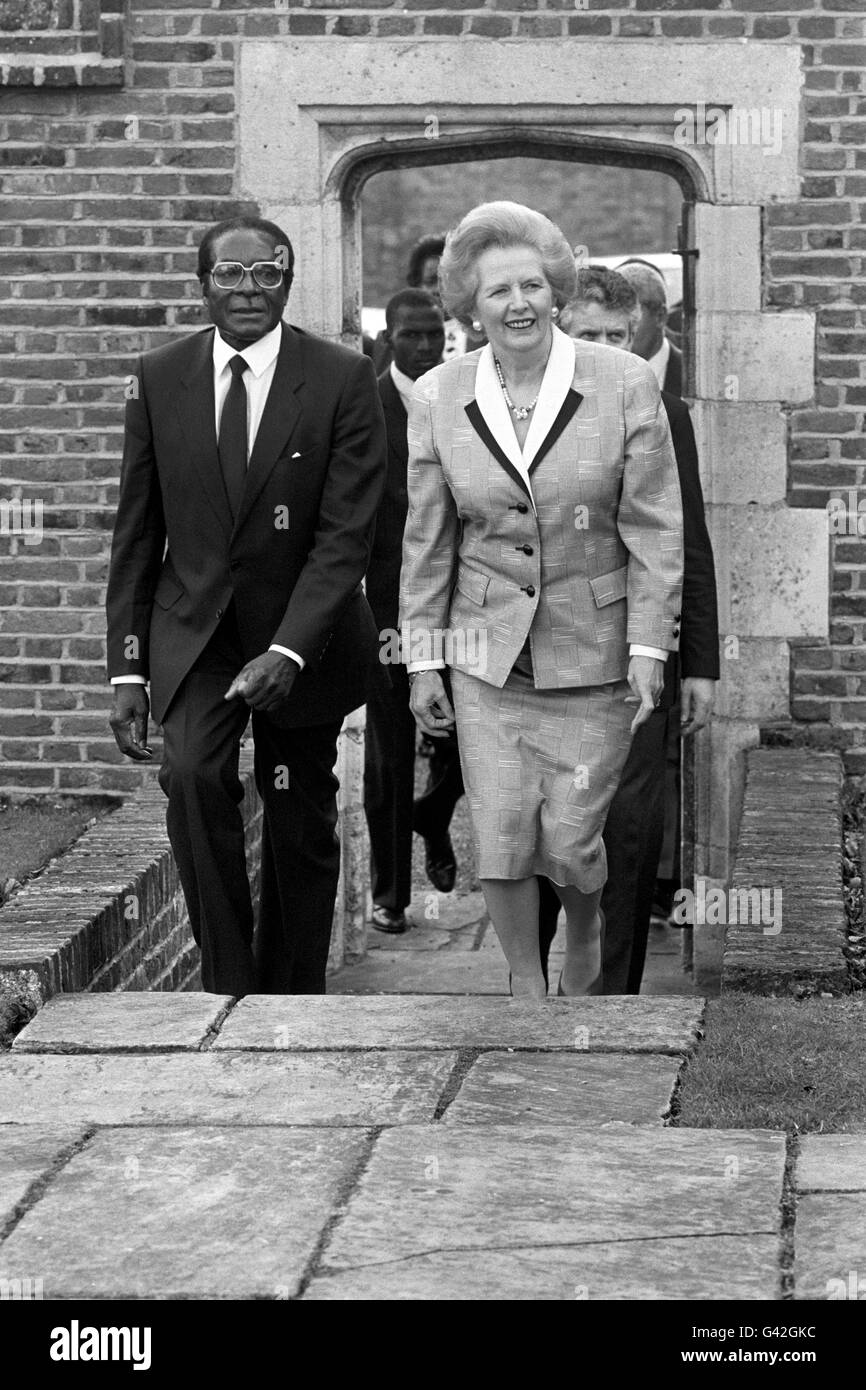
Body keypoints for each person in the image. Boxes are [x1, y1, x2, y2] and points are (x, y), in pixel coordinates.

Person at [400, 202, 683, 1000]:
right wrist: (424, 660)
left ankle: (585, 930)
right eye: (498, 291)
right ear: (471, 304)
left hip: (595, 651)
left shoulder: (621, 382)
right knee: (502, 832)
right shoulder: (437, 395)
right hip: (485, 655)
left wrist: (649, 647)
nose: (518, 303)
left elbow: (656, 526)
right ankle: (526, 986)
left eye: (532, 285)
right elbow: (428, 540)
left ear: (556, 291)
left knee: (570, 839)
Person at [106, 215, 386, 996]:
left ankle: (292, 994)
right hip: (195, 635)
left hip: (308, 638)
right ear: (202, 286)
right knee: (192, 776)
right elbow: (137, 533)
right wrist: (126, 672)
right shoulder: (159, 376)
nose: (249, 290)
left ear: (289, 281)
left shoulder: (340, 376)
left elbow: (344, 538)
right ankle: (229, 987)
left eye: (268, 273)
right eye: (229, 274)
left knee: (300, 815)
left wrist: (289, 650)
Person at [542, 266, 718, 993]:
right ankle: (536, 985)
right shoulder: (512, 404)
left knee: (632, 826)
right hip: (537, 652)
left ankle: (615, 996)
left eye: (620, 336)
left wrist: (700, 662)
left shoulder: (662, 411)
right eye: (590, 335)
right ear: (560, 330)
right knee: (539, 825)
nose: (607, 349)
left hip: (638, 654)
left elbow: (690, 542)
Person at [364, 289, 446, 934]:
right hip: (389, 608)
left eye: (434, 335)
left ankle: (436, 815)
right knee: (391, 752)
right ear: (388, 337)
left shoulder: (469, 393)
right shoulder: (365, 405)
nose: (424, 347)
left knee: (471, 742)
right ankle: (391, 893)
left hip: (469, 604)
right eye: (411, 336)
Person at [372, 234, 472, 373]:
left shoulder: (483, 334)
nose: (439, 289)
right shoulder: (390, 341)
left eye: (447, 281)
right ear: (416, 285)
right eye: (431, 281)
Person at [617, 259, 683, 396]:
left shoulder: (699, 377)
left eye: (630, 317)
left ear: (660, 316)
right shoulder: (590, 378)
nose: (617, 329)